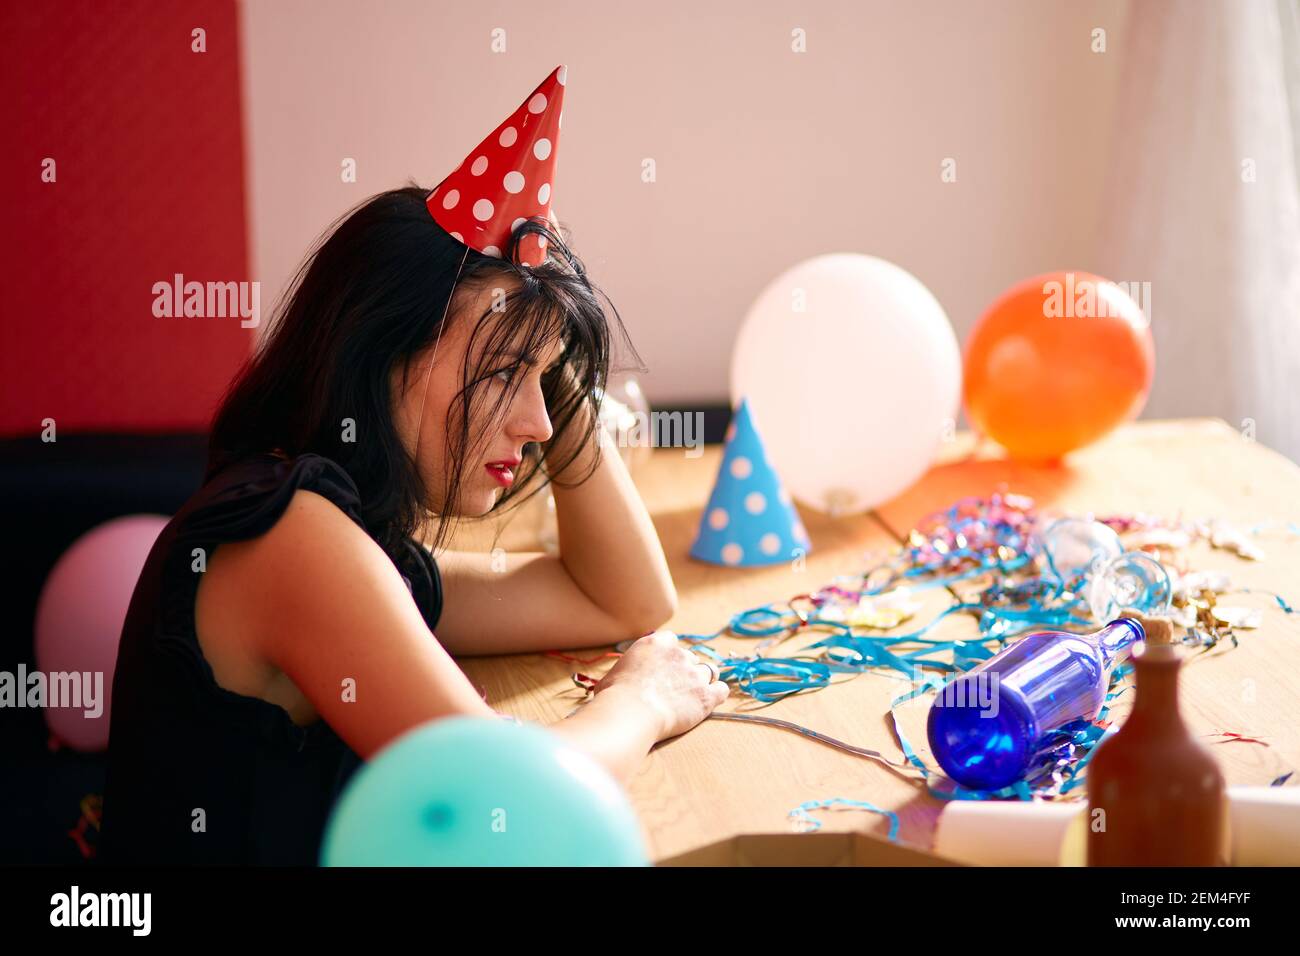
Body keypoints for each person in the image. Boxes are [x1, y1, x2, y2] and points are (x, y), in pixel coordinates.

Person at [99, 65, 728, 865]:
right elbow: (498, 811)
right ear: (380, 355)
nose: (539, 424)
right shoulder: (291, 538)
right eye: (502, 374)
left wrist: (543, 336)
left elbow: (622, 600)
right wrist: (643, 701)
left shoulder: (341, 526)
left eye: (546, 382)